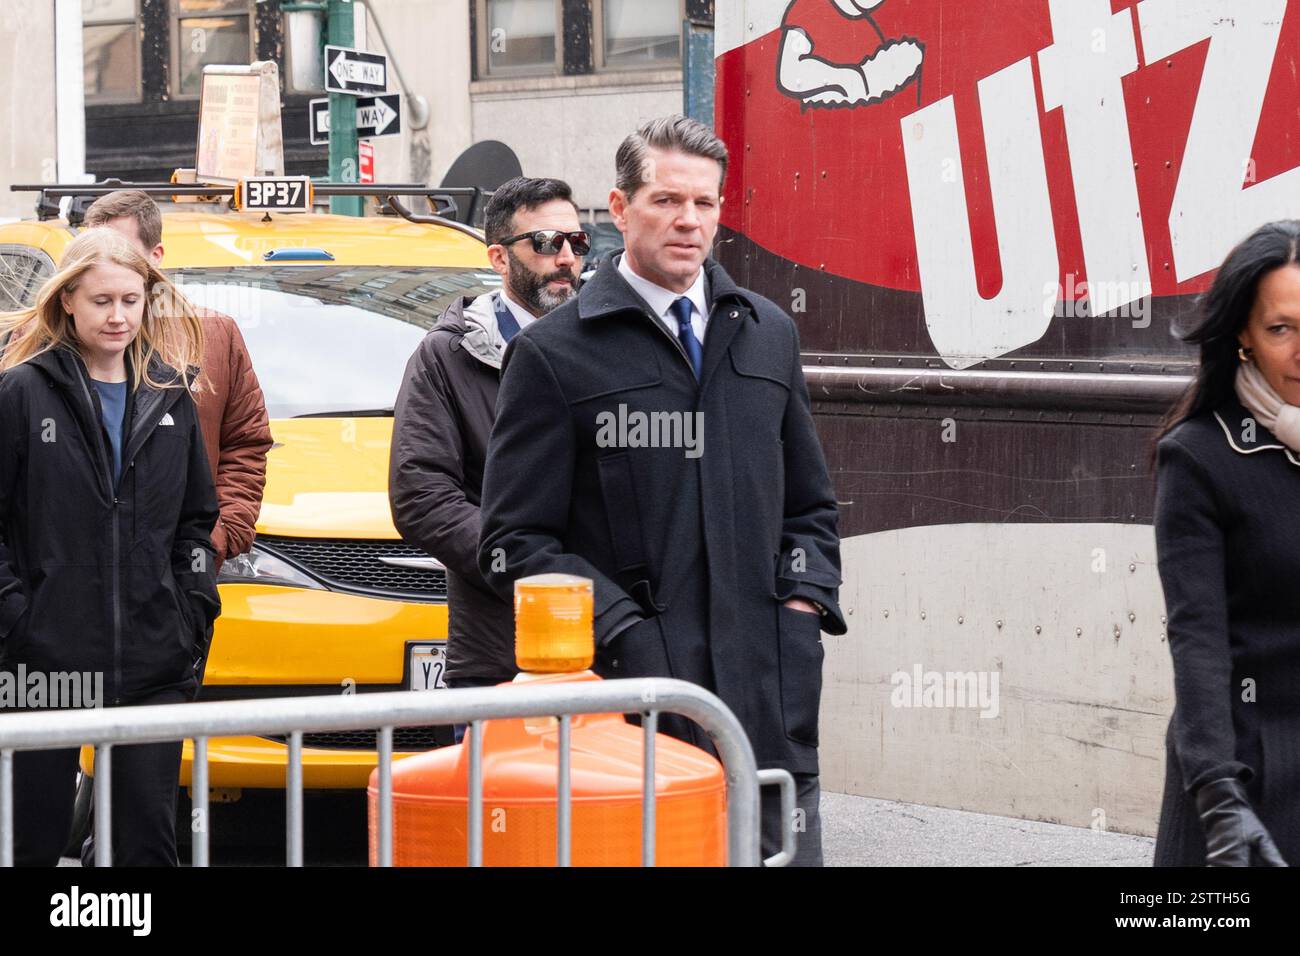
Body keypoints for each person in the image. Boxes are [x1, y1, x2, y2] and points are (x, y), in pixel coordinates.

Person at [477, 116, 846, 866]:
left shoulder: (767, 331)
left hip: (770, 713)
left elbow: (810, 506)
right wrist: (626, 632)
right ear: (618, 208)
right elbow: (513, 542)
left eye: (705, 203)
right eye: (666, 200)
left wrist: (802, 610)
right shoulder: (554, 355)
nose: (689, 221)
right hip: (632, 723)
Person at [0, 228, 220, 866]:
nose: (119, 316)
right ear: (67, 300)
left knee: (144, 846)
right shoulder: (21, 393)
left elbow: (195, 522)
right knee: (31, 839)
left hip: (153, 661)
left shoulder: (170, 394)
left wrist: (192, 607)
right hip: (44, 662)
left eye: (132, 299)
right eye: (102, 301)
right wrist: (19, 619)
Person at [390, 178, 585, 728]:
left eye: (577, 242)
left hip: (614, 649)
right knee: (501, 813)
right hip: (500, 655)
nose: (566, 258)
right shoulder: (446, 356)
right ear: (499, 257)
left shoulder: (612, 344)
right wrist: (539, 575)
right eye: (546, 243)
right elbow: (422, 498)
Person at [1152, 219, 1300, 867]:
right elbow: (1198, 638)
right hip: (1250, 767)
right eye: (1282, 328)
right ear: (1242, 333)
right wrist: (1217, 792)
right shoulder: (1199, 457)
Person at [82, 190, 273, 578]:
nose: (103, 265)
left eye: (119, 252)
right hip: (72, 580)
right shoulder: (40, 344)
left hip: (174, 577)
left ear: (156, 257)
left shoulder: (212, 336)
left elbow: (246, 444)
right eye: (89, 252)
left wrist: (216, 539)